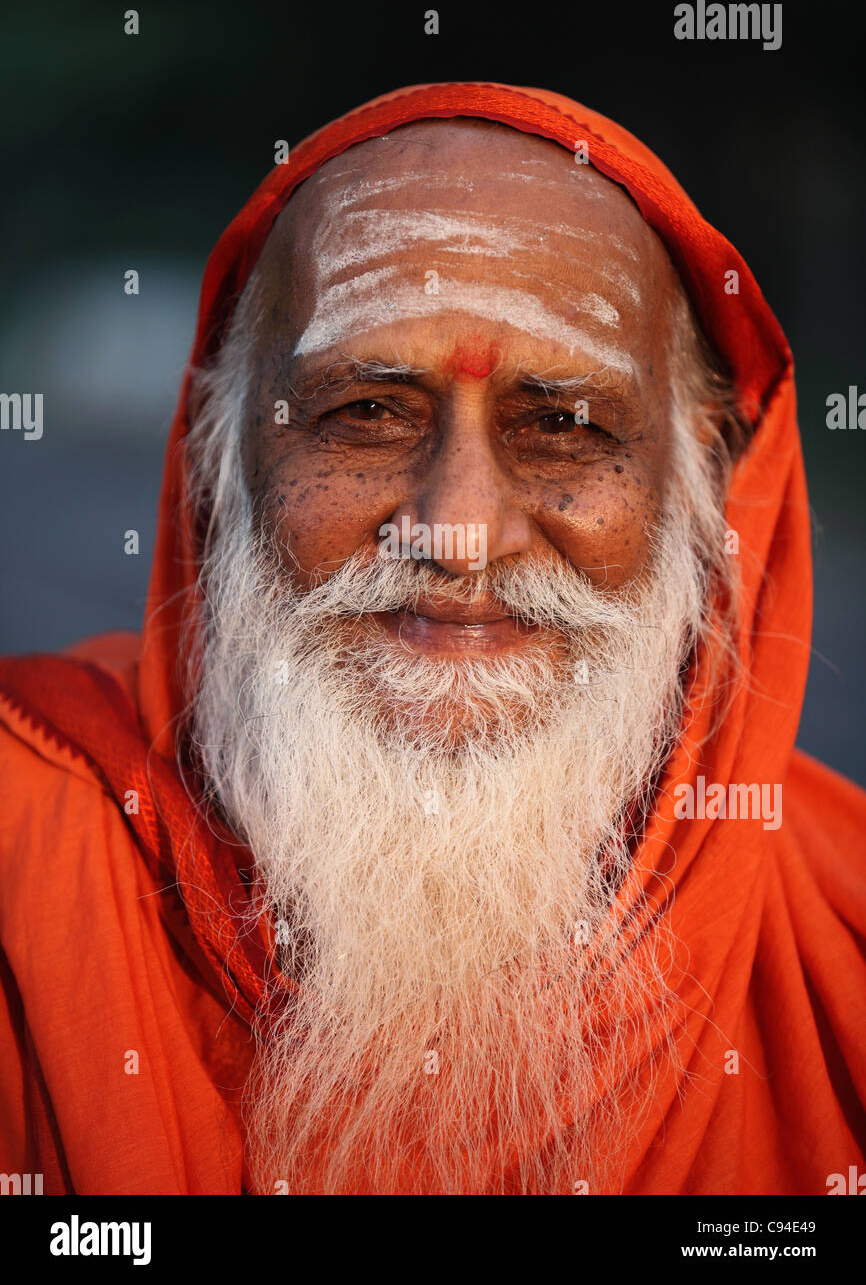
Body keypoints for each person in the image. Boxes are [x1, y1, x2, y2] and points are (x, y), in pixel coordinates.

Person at [1, 82, 864, 1196]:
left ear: (702, 483)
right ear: (218, 461)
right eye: (366, 411)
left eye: (562, 425)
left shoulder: (840, 927)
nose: (455, 533)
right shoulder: (29, 828)